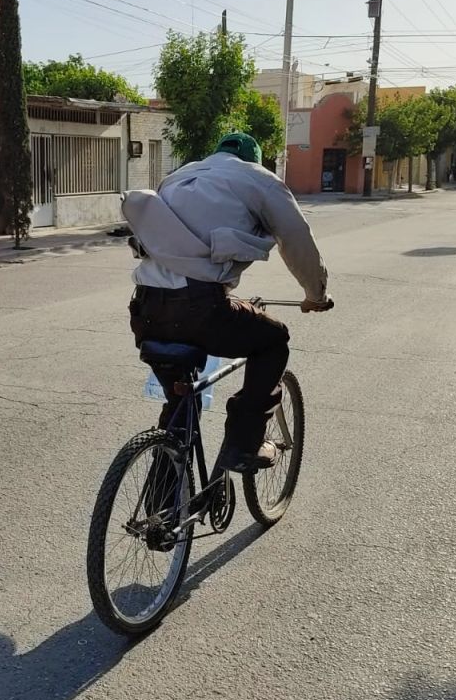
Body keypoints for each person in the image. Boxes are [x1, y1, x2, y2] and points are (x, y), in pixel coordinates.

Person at [121, 132, 331, 473]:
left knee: (180, 403)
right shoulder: (259, 179)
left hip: (146, 309)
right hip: (200, 309)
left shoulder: (179, 175)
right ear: (254, 159)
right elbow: (296, 240)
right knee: (273, 340)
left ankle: (164, 498)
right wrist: (316, 295)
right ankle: (244, 445)